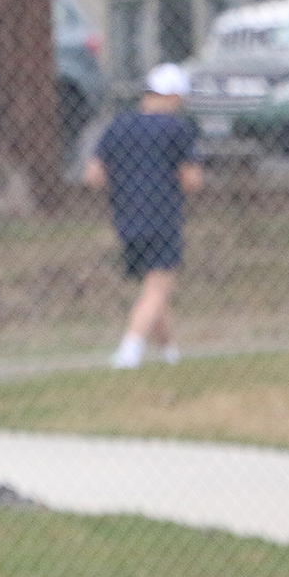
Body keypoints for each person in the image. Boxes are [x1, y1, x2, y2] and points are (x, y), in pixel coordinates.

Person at [84, 61, 204, 370]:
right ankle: (130, 350)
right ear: (173, 96)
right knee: (156, 289)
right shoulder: (177, 128)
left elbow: (94, 174)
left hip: (125, 217)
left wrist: (126, 183)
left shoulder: (118, 125)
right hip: (164, 217)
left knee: (154, 289)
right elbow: (191, 179)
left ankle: (169, 355)